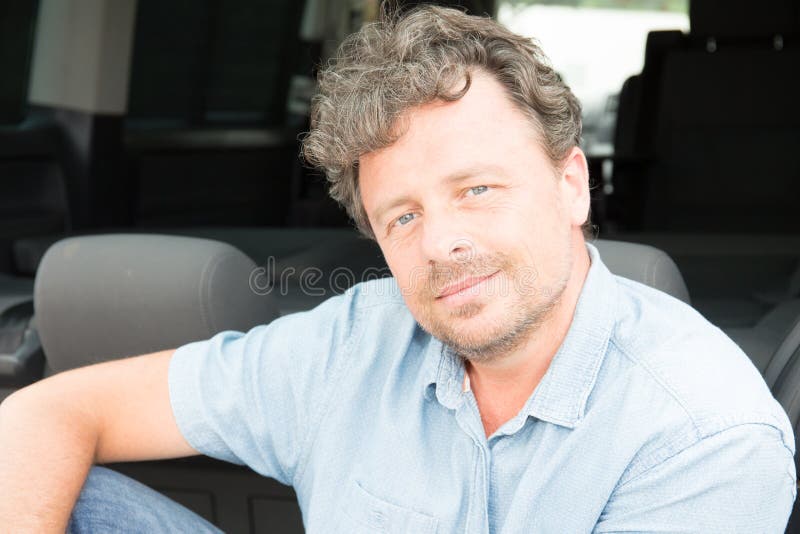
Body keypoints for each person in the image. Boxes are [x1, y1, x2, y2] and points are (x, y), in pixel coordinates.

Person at [0, 4, 795, 533]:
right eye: (403, 216)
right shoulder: (353, 340)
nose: (440, 242)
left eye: (477, 189)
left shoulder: (705, 437)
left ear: (572, 182)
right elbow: (54, 412)